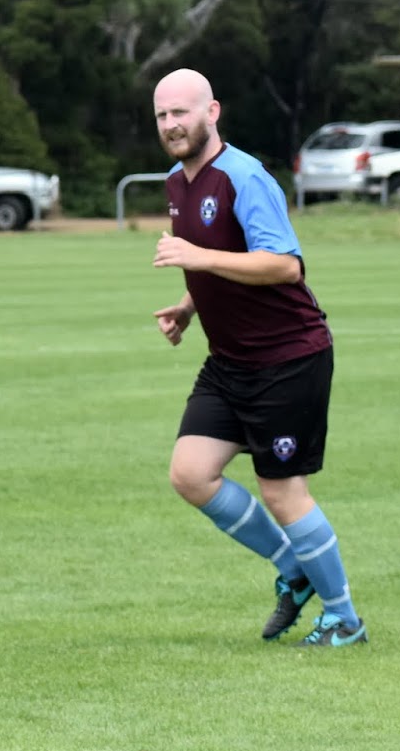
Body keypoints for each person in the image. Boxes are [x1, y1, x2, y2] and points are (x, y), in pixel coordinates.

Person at [150, 68, 365, 648]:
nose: (172, 124)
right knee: (191, 474)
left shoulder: (244, 177)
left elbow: (283, 264)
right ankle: (295, 571)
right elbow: (220, 263)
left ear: (211, 112)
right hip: (230, 362)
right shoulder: (176, 182)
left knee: (281, 491)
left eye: (182, 112)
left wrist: (196, 255)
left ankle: (344, 619)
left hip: (287, 358)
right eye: (163, 115)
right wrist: (188, 306)